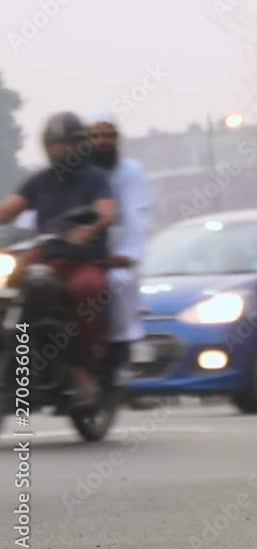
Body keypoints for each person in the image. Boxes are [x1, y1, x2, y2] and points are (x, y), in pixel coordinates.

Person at [0, 112, 117, 408]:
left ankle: (83, 370)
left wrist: (90, 227)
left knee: (87, 290)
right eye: (53, 145)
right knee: (9, 288)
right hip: (47, 258)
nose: (58, 150)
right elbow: (10, 208)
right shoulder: (40, 181)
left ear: (79, 145)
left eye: (64, 144)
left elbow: (107, 212)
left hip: (83, 260)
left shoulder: (95, 179)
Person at [86, 112, 150, 379]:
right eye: (96, 136)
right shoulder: (74, 170)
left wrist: (127, 254)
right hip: (76, 249)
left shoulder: (130, 171)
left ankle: (119, 353)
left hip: (115, 250)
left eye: (108, 135)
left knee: (118, 282)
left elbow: (137, 215)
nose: (102, 141)